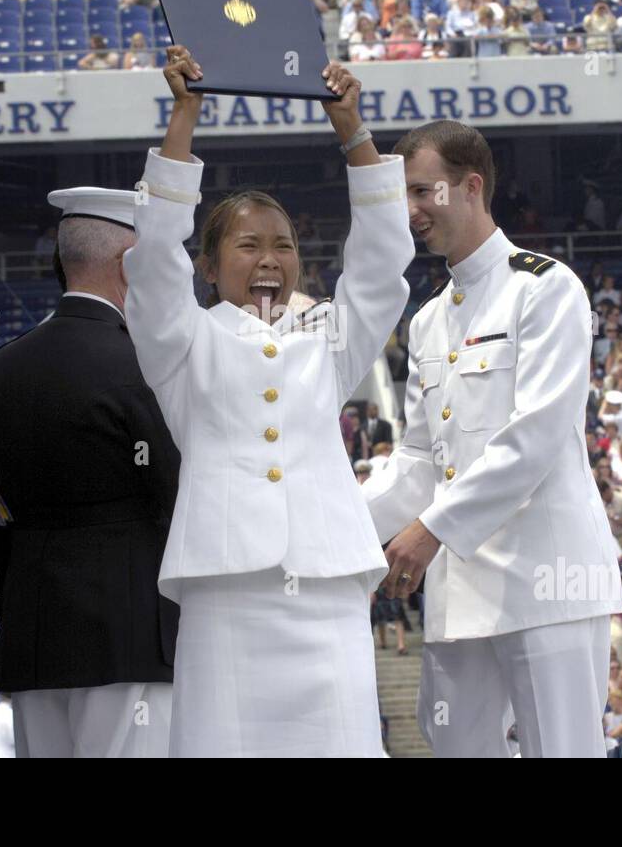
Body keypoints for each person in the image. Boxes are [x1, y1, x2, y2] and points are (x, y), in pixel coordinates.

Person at [122, 47, 412, 757]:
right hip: (227, 587)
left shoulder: (329, 338)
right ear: (211, 265)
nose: (269, 260)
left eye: (282, 246)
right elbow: (153, 262)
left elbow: (380, 267)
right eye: (248, 246)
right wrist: (183, 120)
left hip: (328, 582)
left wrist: (353, 133)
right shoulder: (182, 339)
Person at [363, 119, 622, 757]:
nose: (412, 211)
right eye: (404, 197)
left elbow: (532, 438)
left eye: (424, 192)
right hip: (462, 586)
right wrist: (336, 525)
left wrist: (428, 532)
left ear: (471, 186)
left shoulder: (546, 287)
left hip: (547, 576)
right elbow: (419, 461)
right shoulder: (426, 322)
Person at [0, 186, 182, 757]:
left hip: (33, 640)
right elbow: (175, 498)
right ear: (129, 265)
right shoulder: (145, 363)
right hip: (132, 635)